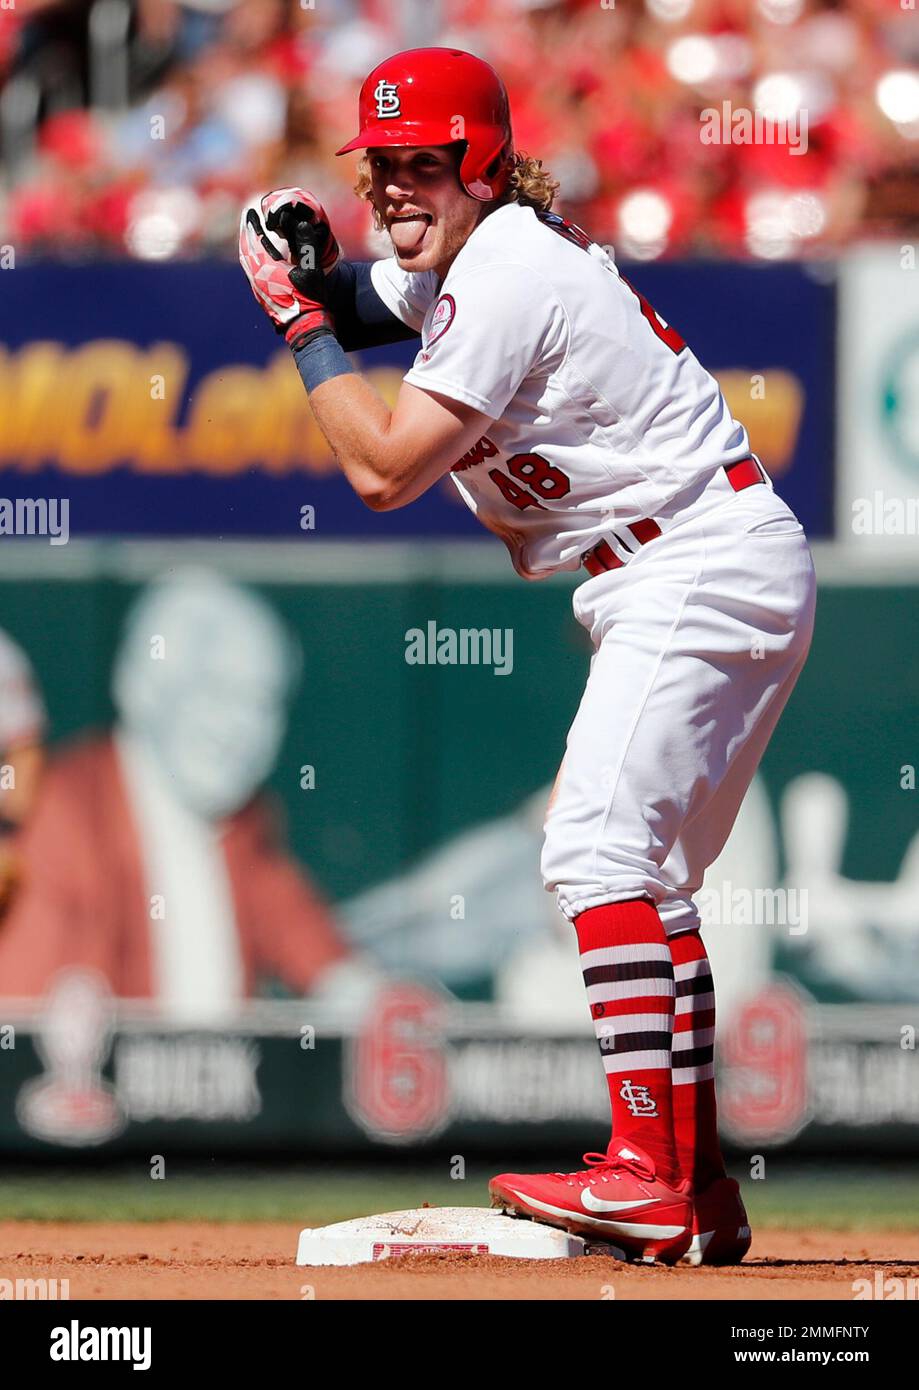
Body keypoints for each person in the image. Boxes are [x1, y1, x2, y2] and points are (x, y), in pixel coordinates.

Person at [238, 46, 816, 1265]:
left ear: (482, 161)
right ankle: (694, 1187)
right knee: (646, 878)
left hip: (690, 560)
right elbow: (369, 300)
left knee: (592, 848)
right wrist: (315, 278)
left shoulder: (501, 269)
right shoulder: (472, 255)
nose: (395, 184)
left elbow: (383, 468)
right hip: (700, 556)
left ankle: (642, 1175)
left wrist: (297, 325)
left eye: (421, 161)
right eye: (379, 164)